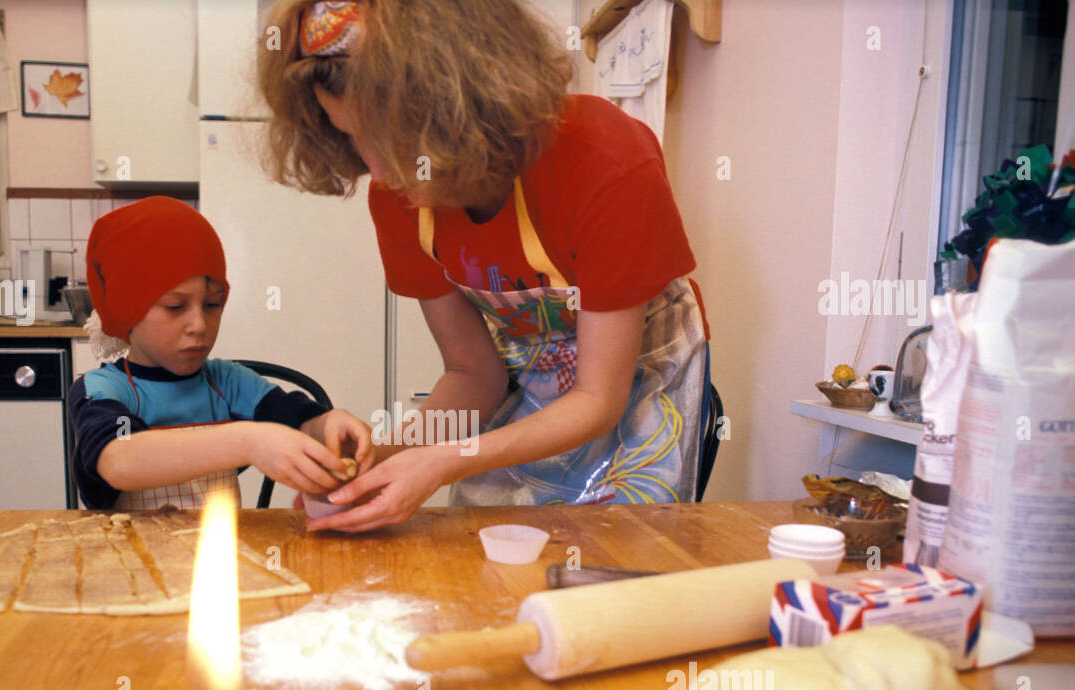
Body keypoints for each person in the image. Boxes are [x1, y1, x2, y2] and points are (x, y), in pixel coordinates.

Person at [258, 0, 711, 533]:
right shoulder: (396, 198)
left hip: (636, 388)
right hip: (535, 388)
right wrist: (375, 461)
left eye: (388, 136)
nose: (375, 168)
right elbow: (476, 375)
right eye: (352, 136)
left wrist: (449, 458)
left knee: (615, 564)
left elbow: (597, 398)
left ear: (460, 104)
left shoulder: (606, 162)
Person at [68, 196, 371, 510]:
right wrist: (247, 442)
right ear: (126, 311)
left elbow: (300, 423)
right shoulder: (104, 390)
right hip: (132, 556)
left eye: (213, 304)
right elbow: (119, 459)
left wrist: (329, 425)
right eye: (175, 306)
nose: (199, 324)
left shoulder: (228, 382)